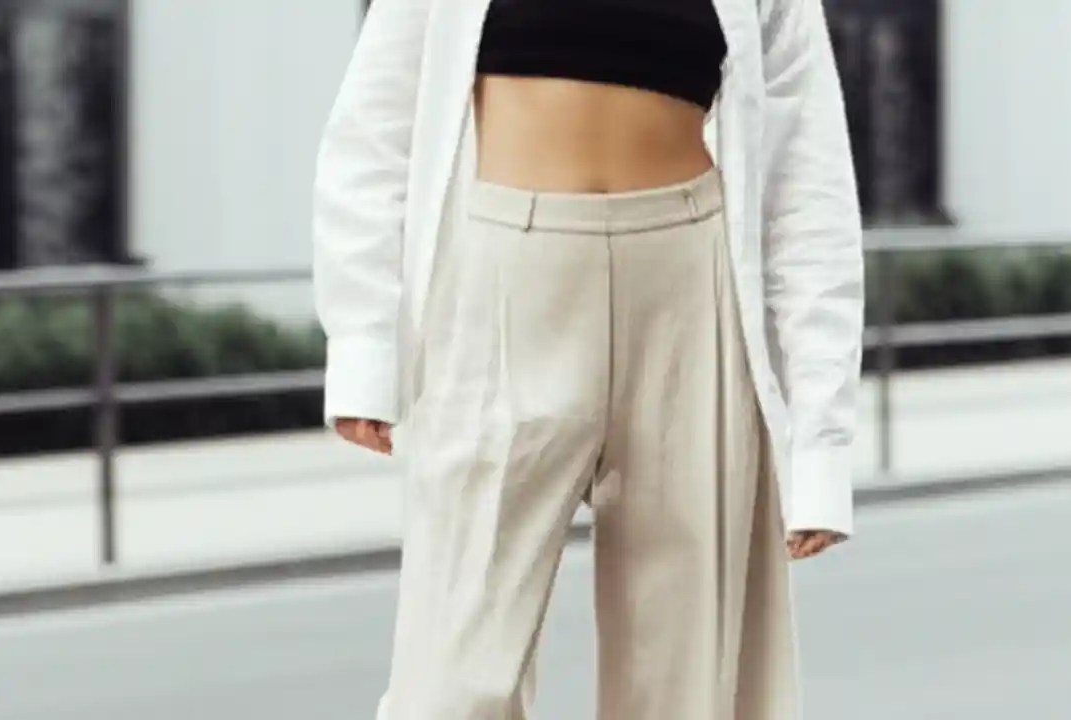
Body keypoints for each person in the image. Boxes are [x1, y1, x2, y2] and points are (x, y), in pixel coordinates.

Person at [312, 0, 864, 717]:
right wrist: (364, 344)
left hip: (692, 284)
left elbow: (805, 174)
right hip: (505, 281)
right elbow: (376, 122)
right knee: (450, 682)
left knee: (684, 682)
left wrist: (819, 443)